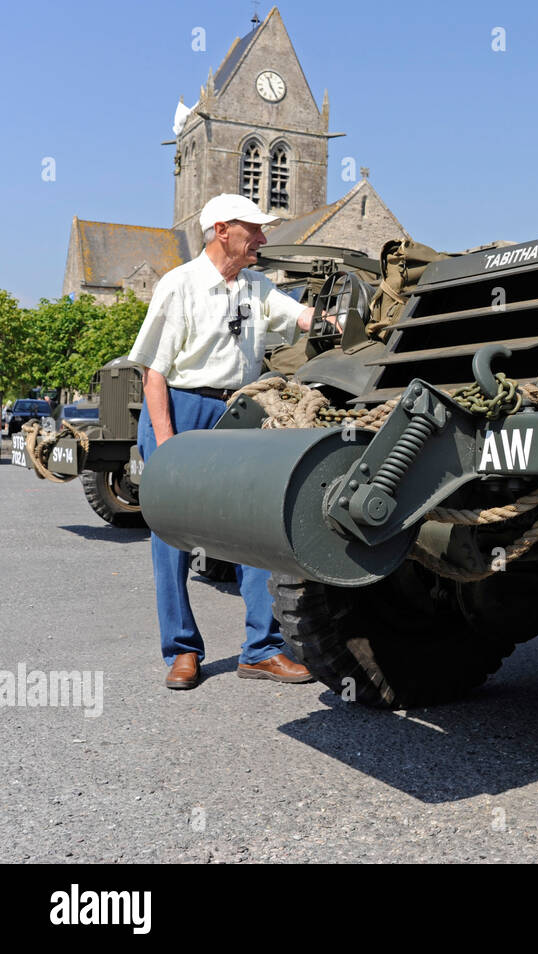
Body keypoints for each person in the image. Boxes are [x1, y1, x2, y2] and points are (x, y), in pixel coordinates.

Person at [129, 193, 322, 690]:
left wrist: (355, 320)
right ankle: (182, 651)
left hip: (239, 409)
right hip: (181, 408)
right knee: (172, 535)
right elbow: (153, 375)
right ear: (222, 231)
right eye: (253, 230)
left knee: (254, 529)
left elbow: (306, 320)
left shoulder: (258, 287)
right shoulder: (180, 285)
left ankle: (261, 650)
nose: (262, 238)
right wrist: (168, 444)